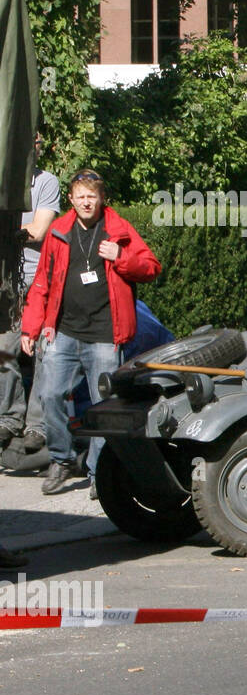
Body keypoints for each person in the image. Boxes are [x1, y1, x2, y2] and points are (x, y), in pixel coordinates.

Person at [20, 169, 161, 496]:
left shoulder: (118, 230)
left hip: (104, 334)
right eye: (80, 196)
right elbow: (41, 285)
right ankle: (61, 458)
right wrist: (32, 328)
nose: (86, 202)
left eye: (92, 196)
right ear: (71, 199)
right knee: (50, 395)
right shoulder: (58, 231)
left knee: (104, 407)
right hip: (63, 332)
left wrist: (121, 257)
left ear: (101, 199)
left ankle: (100, 471)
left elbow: (151, 267)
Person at [0, 133, 59, 454]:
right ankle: (9, 419)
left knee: (41, 353)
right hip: (4, 283)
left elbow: (38, 230)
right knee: (4, 351)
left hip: (37, 279)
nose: (30, 148)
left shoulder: (46, 182)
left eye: (35, 143)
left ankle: (37, 425)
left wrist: (10, 234)